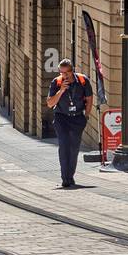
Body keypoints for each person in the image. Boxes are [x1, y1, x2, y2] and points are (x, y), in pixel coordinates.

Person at [45, 58, 93, 189]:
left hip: (77, 118)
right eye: (61, 72)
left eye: (66, 73)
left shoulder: (83, 81)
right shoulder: (57, 82)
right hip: (62, 118)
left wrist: (86, 116)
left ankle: (70, 176)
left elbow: (89, 99)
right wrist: (61, 91)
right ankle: (65, 178)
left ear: (72, 71)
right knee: (64, 146)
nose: (64, 75)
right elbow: (50, 103)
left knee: (74, 149)